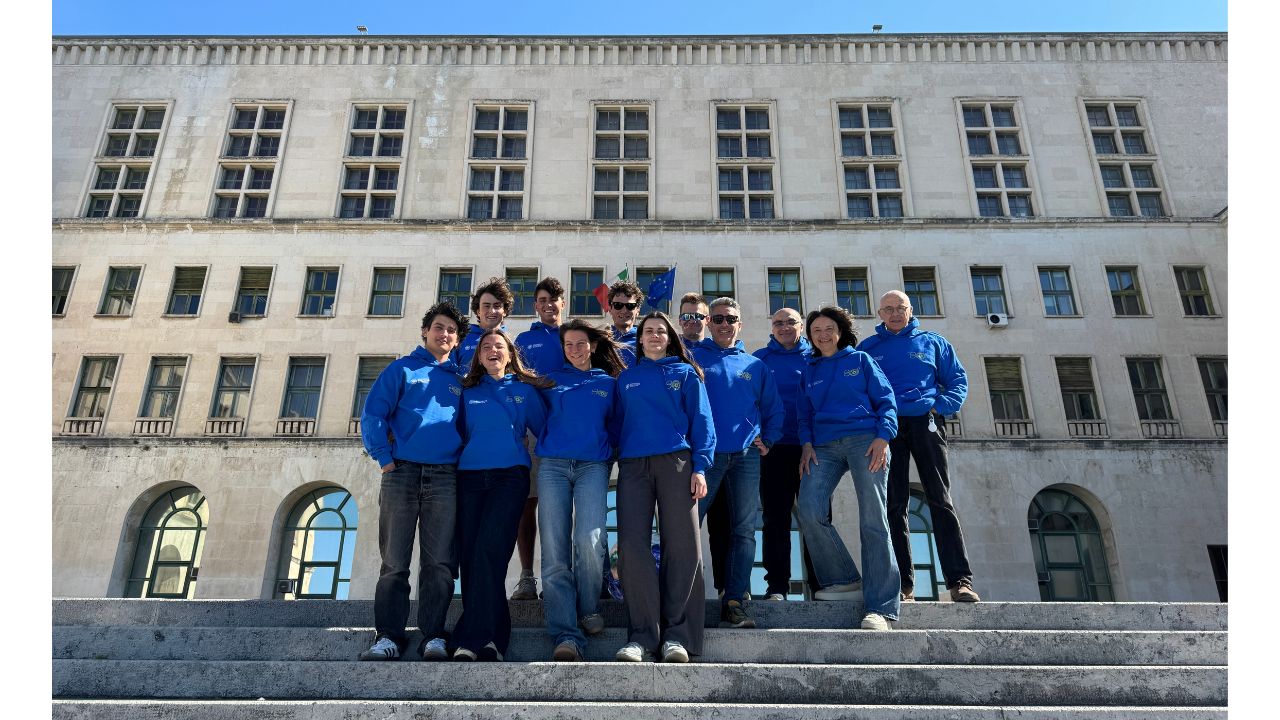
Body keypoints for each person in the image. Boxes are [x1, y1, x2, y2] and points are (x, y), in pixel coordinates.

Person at [357, 301, 469, 661]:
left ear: (457, 339)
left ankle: (433, 634)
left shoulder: (460, 380)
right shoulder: (401, 370)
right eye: (439, 327)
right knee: (394, 562)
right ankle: (388, 636)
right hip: (401, 473)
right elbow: (374, 413)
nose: (445, 334)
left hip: (445, 478)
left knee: (439, 564)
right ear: (425, 331)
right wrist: (384, 458)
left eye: (451, 331)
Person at [857, 290, 979, 603]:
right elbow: (858, 390)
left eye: (901, 308)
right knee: (894, 506)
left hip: (926, 424)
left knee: (940, 500)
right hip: (887, 430)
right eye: (889, 309)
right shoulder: (868, 349)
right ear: (879, 314)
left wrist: (939, 407)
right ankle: (902, 586)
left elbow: (958, 380)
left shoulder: (934, 342)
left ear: (911, 310)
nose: (895, 314)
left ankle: (960, 582)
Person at [613, 312, 715, 663]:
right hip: (633, 466)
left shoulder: (686, 374)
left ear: (670, 338)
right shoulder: (626, 379)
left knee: (683, 546)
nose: (655, 335)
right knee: (631, 545)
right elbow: (614, 424)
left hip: (677, 463)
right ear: (639, 339)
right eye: (648, 331)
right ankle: (642, 637)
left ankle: (678, 636)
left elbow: (703, 423)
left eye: (661, 331)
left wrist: (700, 467)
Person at [796, 305, 900, 630]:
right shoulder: (809, 370)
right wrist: (807, 444)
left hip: (865, 440)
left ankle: (880, 608)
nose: (823, 335)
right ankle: (844, 581)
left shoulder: (860, 360)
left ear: (840, 331)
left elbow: (887, 401)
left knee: (873, 518)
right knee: (809, 508)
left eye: (829, 329)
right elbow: (804, 415)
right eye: (816, 331)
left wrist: (884, 437)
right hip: (823, 447)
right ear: (810, 338)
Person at [452, 329, 549, 661]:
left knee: (489, 551)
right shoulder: (466, 393)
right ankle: (493, 640)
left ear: (510, 355)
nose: (493, 350)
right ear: (478, 356)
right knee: (470, 555)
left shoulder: (524, 391)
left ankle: (472, 638)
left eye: (499, 346)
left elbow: (546, 431)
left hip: (510, 478)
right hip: (469, 478)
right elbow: (454, 435)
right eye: (486, 347)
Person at [535, 319, 626, 661]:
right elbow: (535, 417)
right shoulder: (550, 381)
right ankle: (565, 632)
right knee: (555, 548)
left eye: (580, 343)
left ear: (593, 346)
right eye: (568, 345)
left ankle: (587, 608)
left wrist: (606, 454)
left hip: (593, 467)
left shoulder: (608, 383)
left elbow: (617, 426)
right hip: (554, 467)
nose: (574, 350)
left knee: (590, 541)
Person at [690, 297, 783, 630]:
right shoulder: (693, 359)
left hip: (745, 458)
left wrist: (769, 438)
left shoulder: (755, 365)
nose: (724, 325)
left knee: (744, 531)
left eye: (730, 319)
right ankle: (682, 599)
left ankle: (735, 600)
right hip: (705, 457)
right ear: (708, 323)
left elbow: (774, 409)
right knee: (688, 526)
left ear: (740, 324)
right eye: (717, 319)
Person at [753, 307, 822, 601]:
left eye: (791, 322)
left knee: (816, 516)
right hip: (774, 449)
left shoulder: (817, 356)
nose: (784, 327)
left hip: (813, 448)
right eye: (778, 323)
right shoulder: (759, 359)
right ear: (771, 327)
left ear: (801, 325)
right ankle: (777, 586)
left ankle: (821, 585)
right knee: (775, 518)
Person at [510, 277, 567, 602]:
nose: (548, 305)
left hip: (565, 433)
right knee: (526, 506)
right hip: (532, 433)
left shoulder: (573, 337)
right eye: (542, 300)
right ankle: (527, 577)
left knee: (557, 510)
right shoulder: (524, 339)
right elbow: (516, 380)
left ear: (563, 303)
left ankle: (556, 578)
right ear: (536, 305)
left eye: (554, 300)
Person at [678, 291, 730, 601]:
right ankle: (681, 590)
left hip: (719, 450)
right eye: (686, 316)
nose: (692, 321)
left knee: (723, 523)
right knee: (683, 523)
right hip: (680, 451)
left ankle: (728, 589)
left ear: (707, 321)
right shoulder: (672, 351)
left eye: (698, 316)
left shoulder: (720, 352)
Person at [455, 277, 511, 370]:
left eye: (497, 306)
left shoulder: (510, 342)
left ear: (504, 311)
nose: (492, 311)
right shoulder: (461, 339)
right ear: (478, 311)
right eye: (486, 306)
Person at [606, 280, 643, 367]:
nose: (624, 310)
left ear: (637, 310)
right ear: (610, 309)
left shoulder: (646, 339)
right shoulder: (600, 339)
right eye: (618, 305)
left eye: (630, 306)